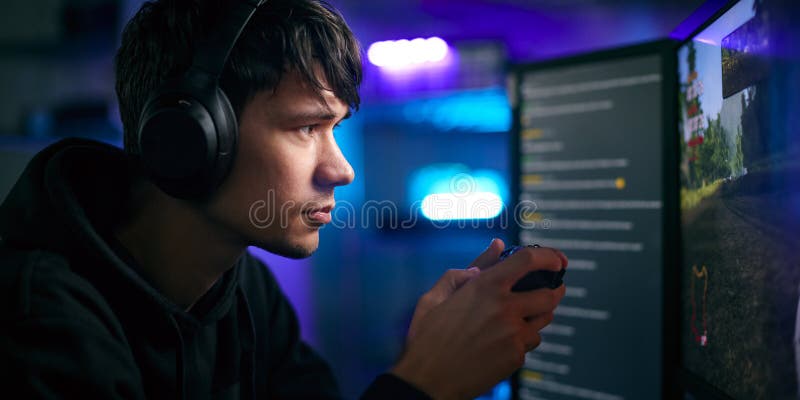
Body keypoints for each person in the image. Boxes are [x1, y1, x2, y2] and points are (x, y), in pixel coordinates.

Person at [0, 0, 567, 398]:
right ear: (188, 138)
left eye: (337, 128)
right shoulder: (38, 323)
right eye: (306, 128)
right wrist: (423, 385)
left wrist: (430, 357)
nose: (341, 170)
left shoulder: (241, 288)